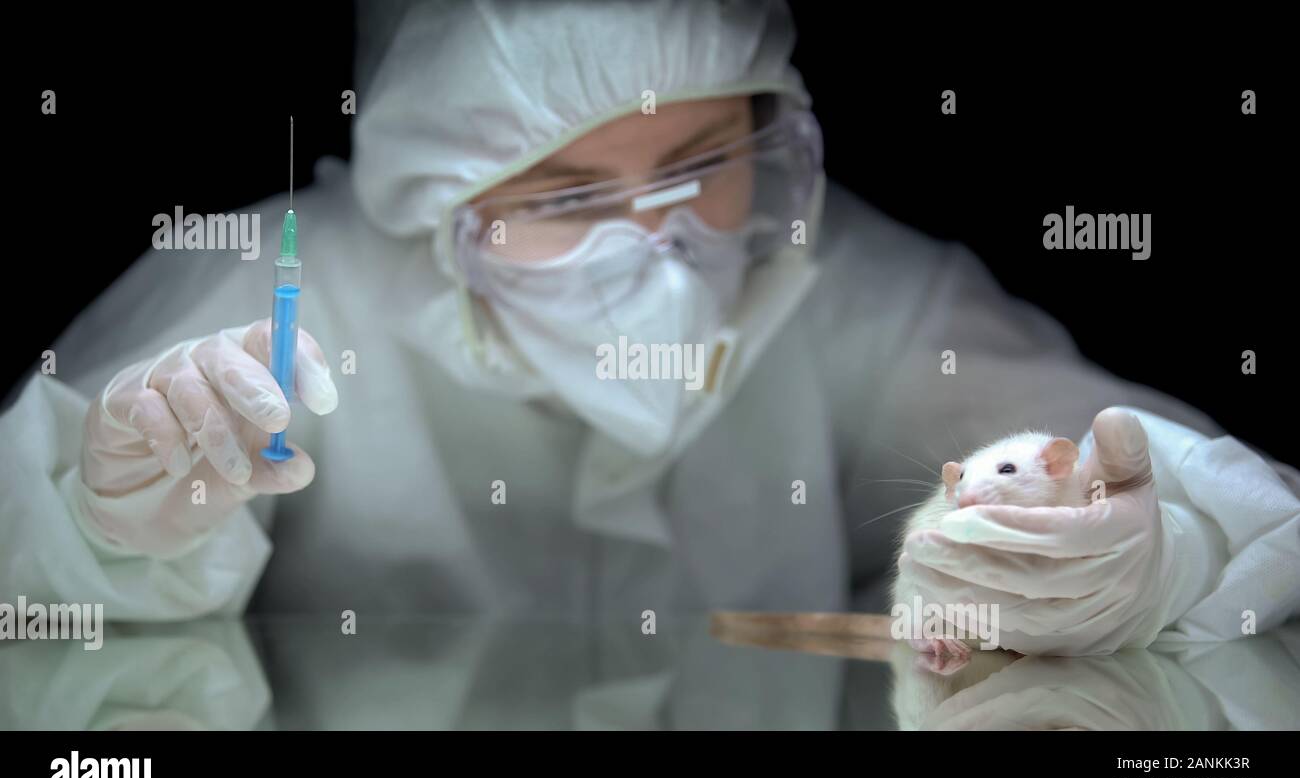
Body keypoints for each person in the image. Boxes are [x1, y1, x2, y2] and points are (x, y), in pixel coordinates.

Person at [1, 0, 1296, 655]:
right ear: (436, 196)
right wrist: (99, 529)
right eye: (563, 193)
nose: (660, 239)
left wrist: (1158, 544)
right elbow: (20, 593)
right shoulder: (277, 288)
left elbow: (1143, 465)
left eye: (703, 160)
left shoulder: (852, 286)